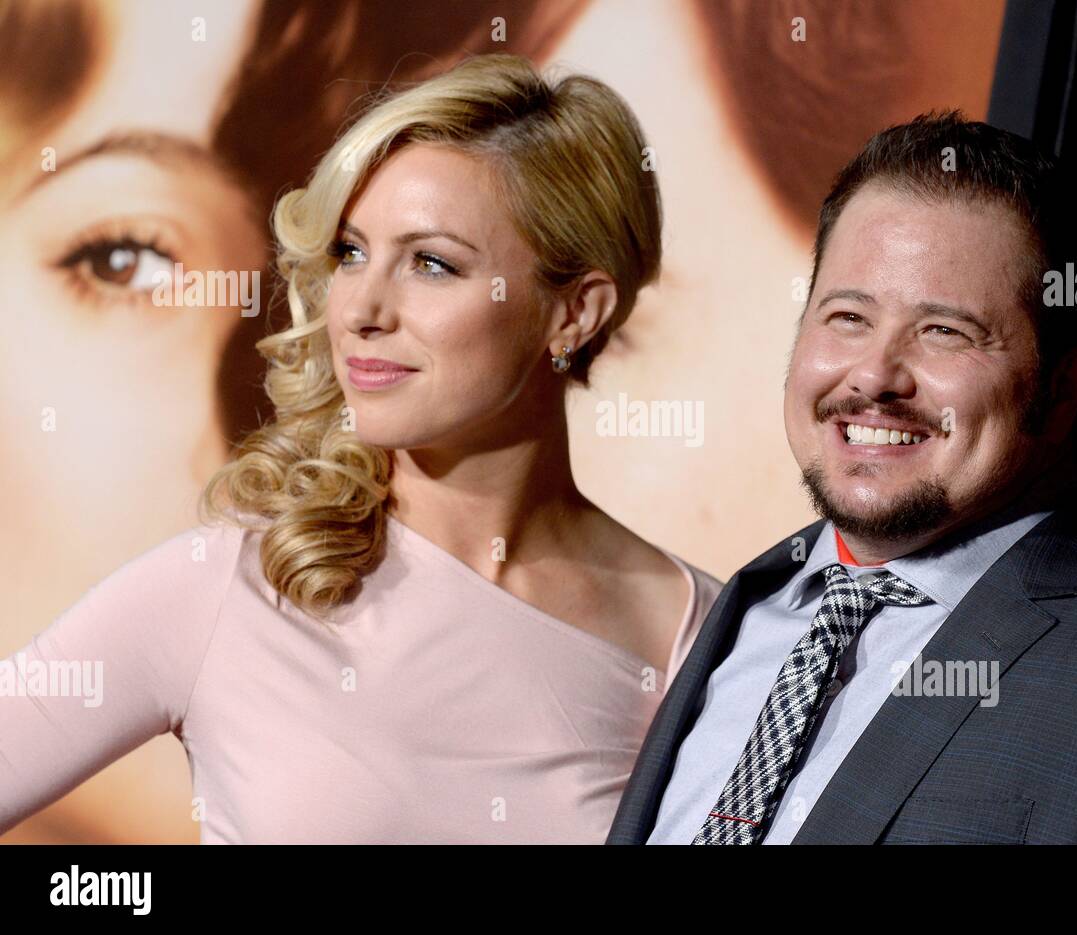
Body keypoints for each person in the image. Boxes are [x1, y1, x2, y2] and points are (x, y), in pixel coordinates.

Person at [0, 53, 721, 844]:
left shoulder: (698, 631)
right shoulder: (230, 584)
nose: (361, 309)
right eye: (350, 253)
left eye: (432, 263)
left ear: (575, 313)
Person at [608, 111, 1077, 845]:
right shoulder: (741, 611)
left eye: (944, 332)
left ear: (1059, 391)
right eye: (847, 316)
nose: (874, 374)